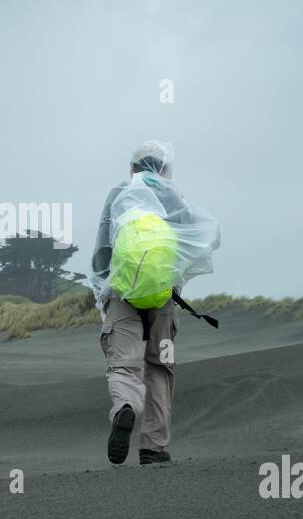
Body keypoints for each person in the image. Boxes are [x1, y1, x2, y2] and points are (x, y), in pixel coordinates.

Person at [89, 141, 219, 466]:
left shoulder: (118, 194)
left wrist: (103, 290)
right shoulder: (173, 196)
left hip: (123, 290)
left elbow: (102, 247)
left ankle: (126, 408)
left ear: (132, 168)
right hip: (162, 296)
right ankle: (154, 446)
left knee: (123, 365)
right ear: (164, 169)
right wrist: (174, 279)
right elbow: (196, 240)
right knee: (160, 368)